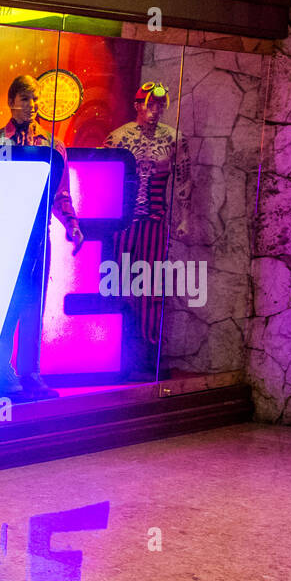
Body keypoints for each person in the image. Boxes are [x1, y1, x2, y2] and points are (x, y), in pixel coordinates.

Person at [0, 75, 86, 402]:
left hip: (39, 236)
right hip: (5, 237)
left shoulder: (53, 145)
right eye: (25, 98)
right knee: (4, 303)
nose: (31, 105)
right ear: (11, 101)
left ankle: (30, 372)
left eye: (35, 99)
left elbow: (60, 193)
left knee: (33, 305)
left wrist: (72, 223)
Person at [104, 81, 192, 381]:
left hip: (155, 220)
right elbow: (105, 179)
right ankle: (115, 350)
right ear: (137, 105)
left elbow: (182, 181)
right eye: (149, 104)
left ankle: (146, 352)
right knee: (117, 281)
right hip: (122, 224)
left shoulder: (174, 139)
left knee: (152, 285)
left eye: (160, 105)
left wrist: (183, 219)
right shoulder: (118, 138)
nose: (154, 110)